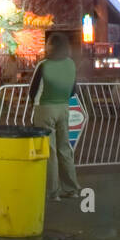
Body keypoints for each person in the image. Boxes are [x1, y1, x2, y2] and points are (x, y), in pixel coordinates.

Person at [29, 33, 81, 200]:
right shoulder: (71, 64)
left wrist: (34, 106)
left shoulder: (44, 65)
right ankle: (71, 188)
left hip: (45, 109)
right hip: (63, 108)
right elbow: (74, 90)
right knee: (64, 148)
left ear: (51, 47)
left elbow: (33, 90)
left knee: (49, 151)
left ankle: (53, 192)